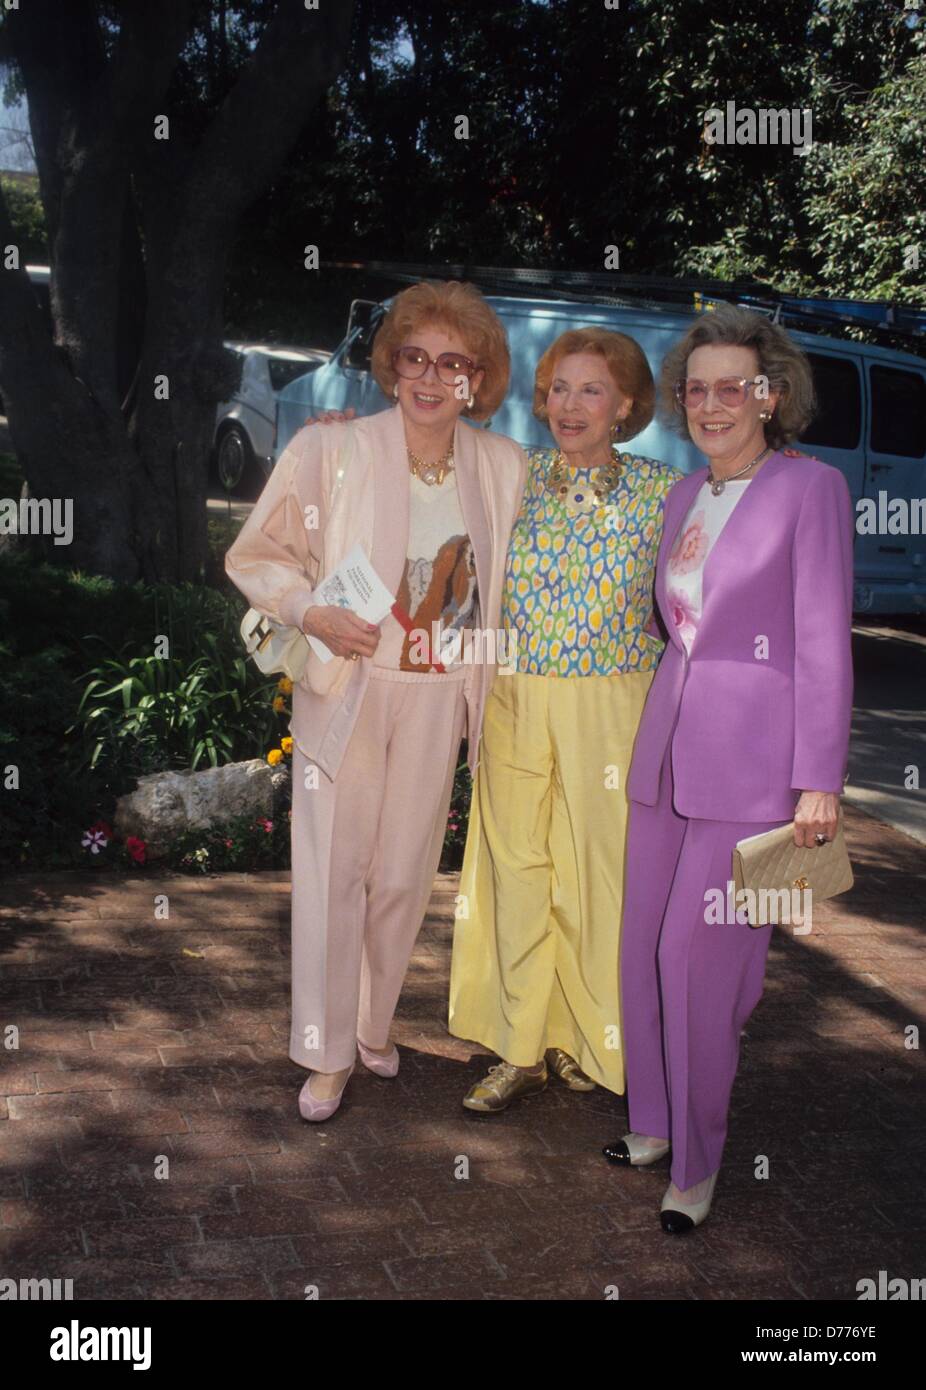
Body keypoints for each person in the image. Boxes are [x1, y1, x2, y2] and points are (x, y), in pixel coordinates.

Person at [225, 280, 527, 1121]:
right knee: (333, 873)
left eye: (454, 363)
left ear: (478, 378)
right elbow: (260, 552)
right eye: (415, 357)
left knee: (401, 879)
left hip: (442, 696)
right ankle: (323, 1054)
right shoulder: (334, 449)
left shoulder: (504, 467)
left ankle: (372, 1025)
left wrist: (759, 459)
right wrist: (307, 609)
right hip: (347, 688)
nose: (432, 377)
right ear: (392, 365)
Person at [604, 303, 854, 1232]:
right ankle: (654, 1124)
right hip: (666, 752)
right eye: (696, 388)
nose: (712, 403)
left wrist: (818, 777)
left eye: (733, 386)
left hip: (756, 770)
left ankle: (699, 1167)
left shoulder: (810, 487)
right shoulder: (682, 494)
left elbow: (825, 638)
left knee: (697, 962)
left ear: (771, 394)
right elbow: (680, 629)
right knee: (639, 948)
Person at [447, 328, 680, 1111]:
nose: (569, 406)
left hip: (612, 709)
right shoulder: (512, 474)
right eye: (557, 389)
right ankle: (520, 1047)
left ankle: (593, 1043)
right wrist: (333, 434)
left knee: (600, 882)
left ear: (624, 406)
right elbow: (422, 458)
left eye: (590, 391)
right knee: (516, 875)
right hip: (516, 698)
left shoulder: (664, 491)